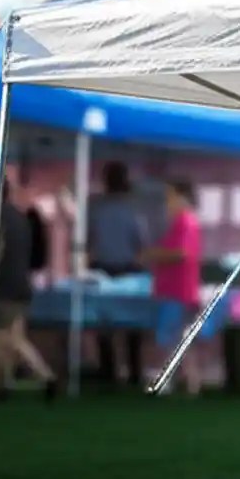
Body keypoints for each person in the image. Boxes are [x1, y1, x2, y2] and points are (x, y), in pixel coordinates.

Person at [0, 180, 58, 400]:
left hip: (3, 285)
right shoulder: (21, 218)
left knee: (2, 337)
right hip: (22, 285)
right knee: (9, 337)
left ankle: (43, 375)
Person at [88, 162, 149, 388]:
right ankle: (134, 371)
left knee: (104, 322)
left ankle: (108, 371)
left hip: (102, 269)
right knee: (133, 324)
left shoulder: (96, 209)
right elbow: (141, 243)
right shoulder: (133, 210)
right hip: (128, 270)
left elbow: (88, 241)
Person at [141, 180, 204, 396]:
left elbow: (181, 253)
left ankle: (168, 379)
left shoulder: (186, 222)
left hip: (178, 291)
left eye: (170, 197)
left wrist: (153, 255)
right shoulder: (181, 222)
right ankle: (189, 382)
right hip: (175, 290)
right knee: (179, 338)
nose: (167, 202)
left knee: (170, 337)